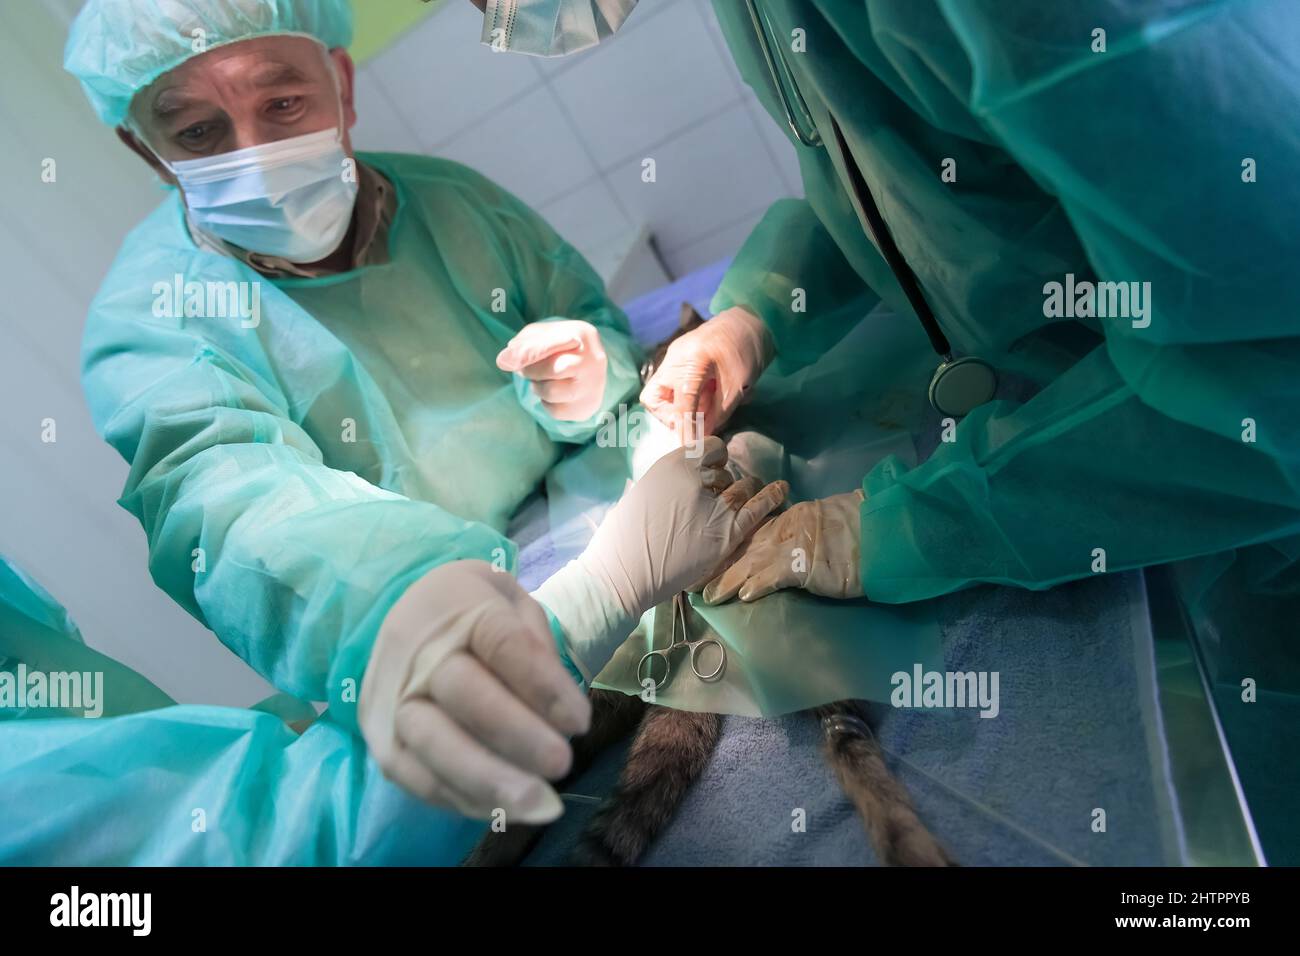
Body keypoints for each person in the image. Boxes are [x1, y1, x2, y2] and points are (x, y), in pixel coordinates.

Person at [63, 0, 785, 825]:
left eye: (284, 102)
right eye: (197, 131)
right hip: (452, 619)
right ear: (146, 151)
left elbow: (594, 320)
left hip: (569, 505)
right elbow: (232, 515)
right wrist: (419, 607)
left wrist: (595, 379)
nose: (254, 155)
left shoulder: (455, 203)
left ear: (341, 83)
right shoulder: (153, 326)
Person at [475, 0, 1300, 624]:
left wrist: (908, 530)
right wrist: (757, 315)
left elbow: (1267, 358)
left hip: (1228, 513)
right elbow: (903, 182)